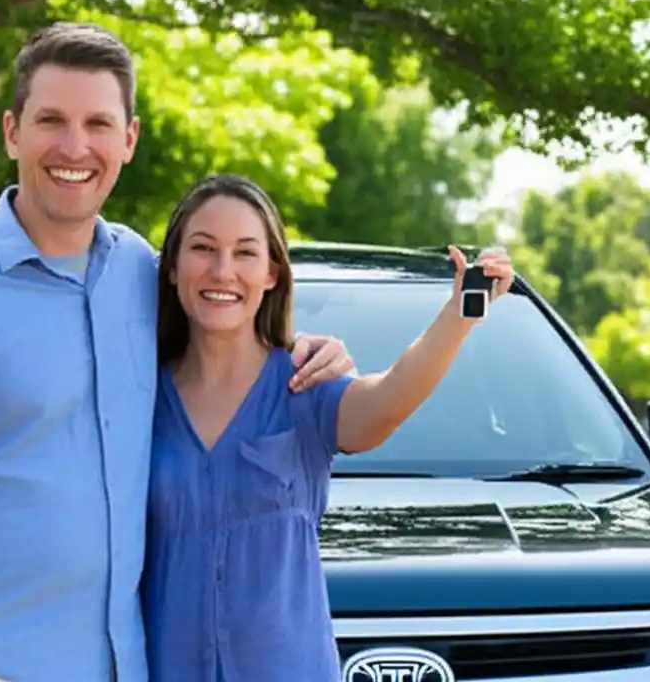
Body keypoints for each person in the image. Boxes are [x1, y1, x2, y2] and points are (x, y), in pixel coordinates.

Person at [0, 23, 354, 682]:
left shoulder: (143, 277)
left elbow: (227, 334)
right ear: (12, 131)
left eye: (97, 123)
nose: (74, 146)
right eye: (51, 120)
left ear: (129, 140)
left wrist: (318, 351)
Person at [141, 174, 515, 681]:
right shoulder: (138, 398)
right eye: (202, 248)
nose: (222, 270)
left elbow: (387, 401)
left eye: (245, 253)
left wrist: (459, 316)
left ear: (272, 272)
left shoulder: (305, 385)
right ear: (172, 267)